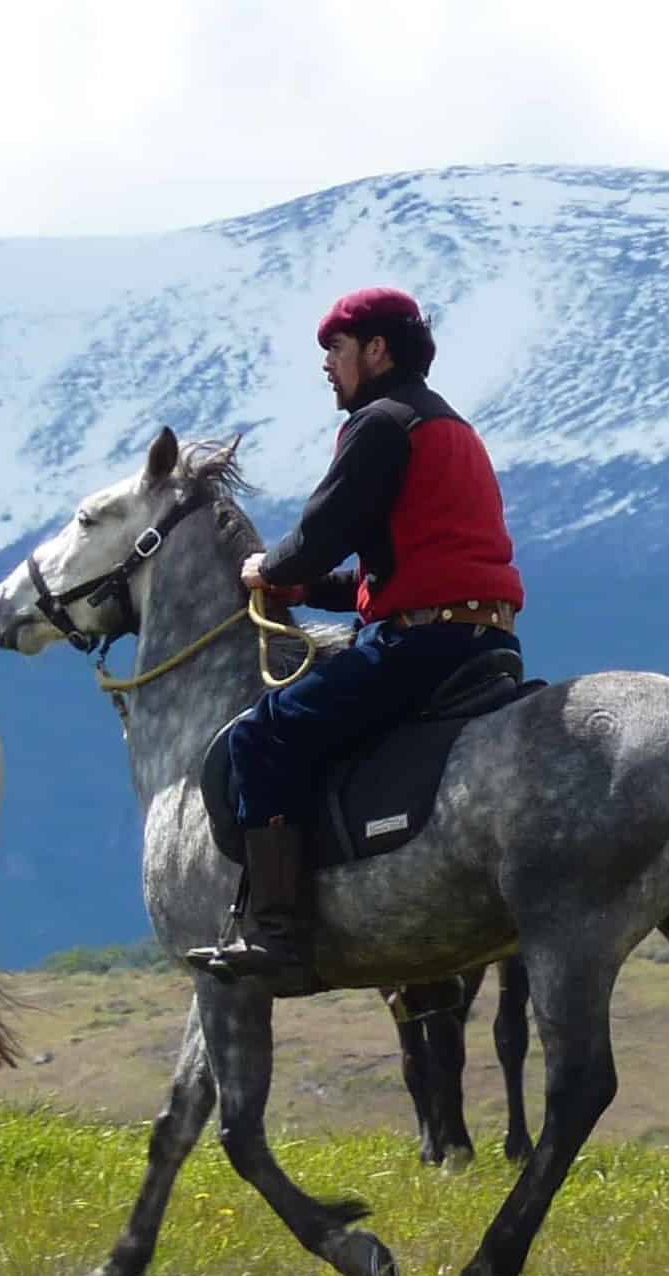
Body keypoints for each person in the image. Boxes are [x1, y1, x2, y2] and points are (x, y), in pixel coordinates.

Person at [189, 287, 523, 982]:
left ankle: (280, 938)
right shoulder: (452, 428)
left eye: (335, 349)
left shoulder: (380, 424)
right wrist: (307, 591)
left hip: (420, 648)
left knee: (264, 734)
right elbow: (404, 568)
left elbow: (317, 537)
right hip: (486, 640)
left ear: (377, 350)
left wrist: (268, 570)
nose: (327, 366)